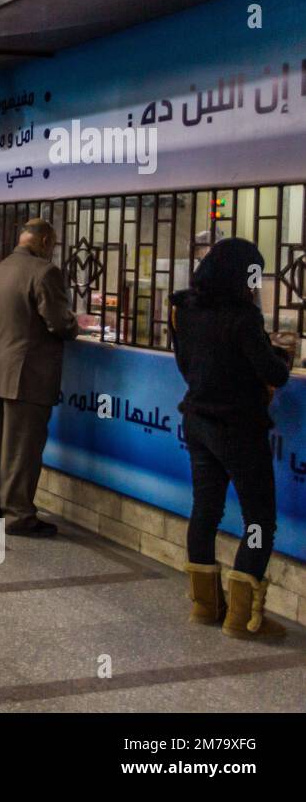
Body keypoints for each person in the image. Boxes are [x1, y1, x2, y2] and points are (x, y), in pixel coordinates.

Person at [171, 237, 295, 641]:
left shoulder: (185, 310)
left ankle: (205, 606)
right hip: (238, 429)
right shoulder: (243, 318)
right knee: (259, 520)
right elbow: (272, 373)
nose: (256, 284)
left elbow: (188, 365)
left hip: (198, 420)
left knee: (205, 510)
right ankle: (241, 618)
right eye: (253, 275)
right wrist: (284, 354)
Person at [0, 218, 78, 537]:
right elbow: (60, 324)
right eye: (54, 244)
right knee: (22, 446)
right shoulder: (45, 272)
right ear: (45, 241)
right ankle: (19, 514)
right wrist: (76, 325)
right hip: (26, 372)